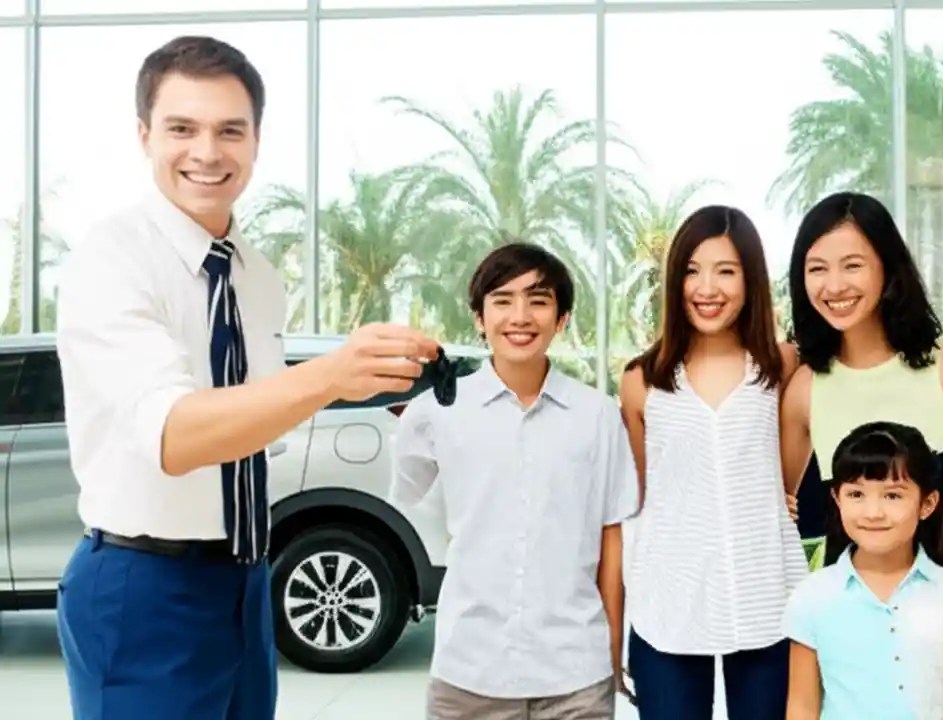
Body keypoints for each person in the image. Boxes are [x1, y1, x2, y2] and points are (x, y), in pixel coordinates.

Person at [53, 36, 438, 720]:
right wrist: (326, 377)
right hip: (142, 583)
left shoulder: (256, 277)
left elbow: (256, 418)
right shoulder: (110, 261)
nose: (207, 152)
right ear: (144, 135)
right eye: (182, 128)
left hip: (245, 579)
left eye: (230, 130)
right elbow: (173, 434)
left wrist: (365, 388)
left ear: (257, 141)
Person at [393, 242, 639, 720]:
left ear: (562, 318)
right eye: (502, 300)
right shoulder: (437, 411)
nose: (520, 316)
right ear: (480, 318)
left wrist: (611, 648)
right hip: (469, 670)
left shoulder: (598, 415)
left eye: (539, 300)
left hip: (575, 673)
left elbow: (613, 536)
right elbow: (406, 496)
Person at [619, 204, 808, 720]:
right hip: (670, 601)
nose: (708, 288)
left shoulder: (782, 365)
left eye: (726, 271)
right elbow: (641, 495)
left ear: (750, 281)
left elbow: (785, 476)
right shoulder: (642, 379)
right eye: (692, 271)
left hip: (767, 594)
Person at [780, 191, 943, 580]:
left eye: (852, 265)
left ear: (887, 267)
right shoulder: (805, 388)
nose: (834, 286)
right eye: (816, 269)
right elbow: (779, 511)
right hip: (857, 625)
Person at [783, 421, 943, 720]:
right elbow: (802, 707)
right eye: (856, 494)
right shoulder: (812, 596)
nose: (873, 512)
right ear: (836, 498)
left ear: (927, 503)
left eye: (892, 495)